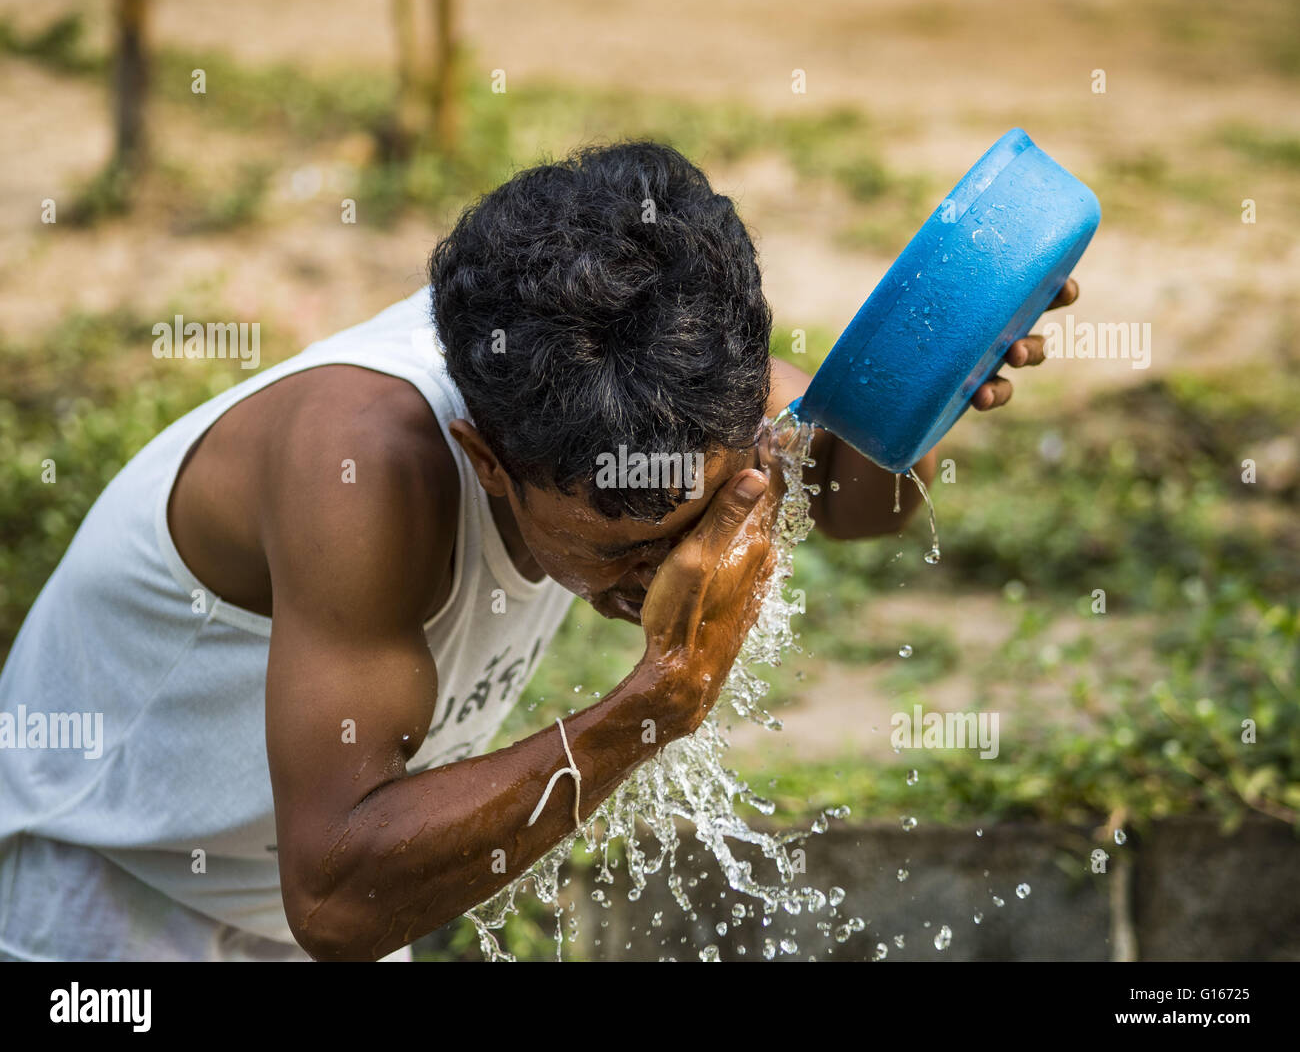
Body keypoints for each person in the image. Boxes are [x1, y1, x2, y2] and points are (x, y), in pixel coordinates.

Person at [0, 140, 1075, 961]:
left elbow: (855, 503)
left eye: (690, 520)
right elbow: (333, 897)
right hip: (99, 904)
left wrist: (924, 403)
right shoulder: (359, 466)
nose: (668, 574)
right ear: (487, 458)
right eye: (620, 552)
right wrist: (660, 700)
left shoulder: (680, 394)